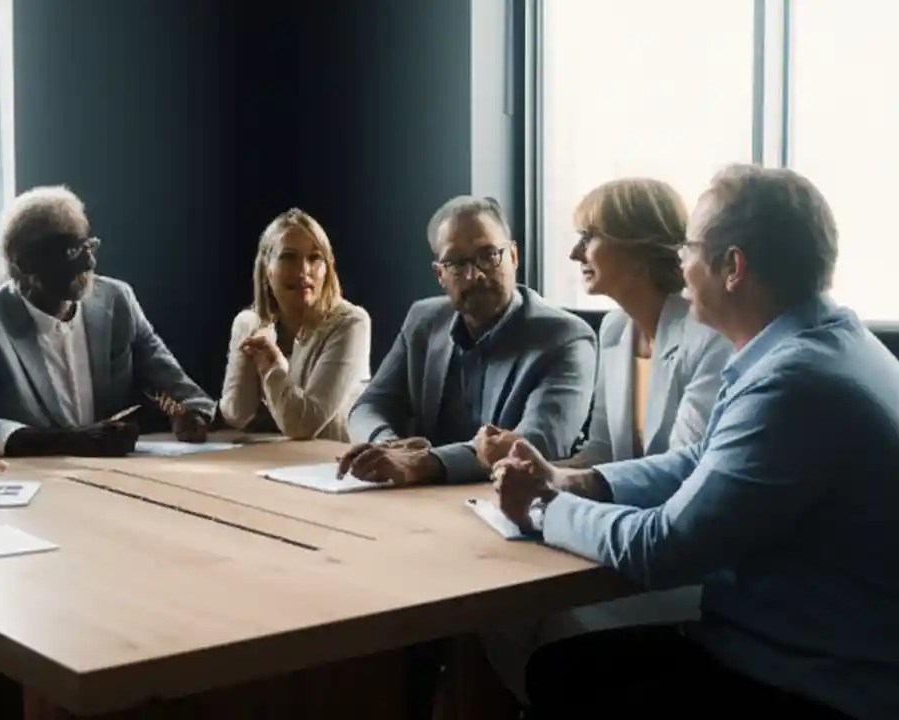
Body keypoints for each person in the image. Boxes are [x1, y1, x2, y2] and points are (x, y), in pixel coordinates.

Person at [492, 165, 899, 719]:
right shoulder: (824, 344)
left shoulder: (793, 380)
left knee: (560, 670)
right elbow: (704, 461)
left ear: (732, 267)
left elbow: (664, 546)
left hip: (810, 681)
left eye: (688, 246)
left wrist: (547, 508)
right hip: (801, 650)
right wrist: (579, 481)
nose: (678, 260)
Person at [480, 178, 733, 702]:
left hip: (680, 566)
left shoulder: (708, 338)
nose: (575, 252)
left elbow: (684, 475)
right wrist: (533, 463)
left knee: (533, 619)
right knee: (493, 618)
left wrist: (557, 496)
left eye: (588, 236)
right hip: (619, 540)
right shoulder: (615, 331)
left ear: (640, 247)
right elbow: (600, 454)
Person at [339, 196, 596, 485]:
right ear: (440, 274)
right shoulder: (424, 320)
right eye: (458, 263)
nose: (475, 276)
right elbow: (368, 406)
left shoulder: (565, 337)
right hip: (423, 502)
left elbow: (540, 442)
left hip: (510, 504)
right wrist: (386, 446)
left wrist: (425, 462)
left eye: (488, 255)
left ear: (513, 256)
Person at [0, 186, 216, 457]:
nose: (90, 261)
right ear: (23, 264)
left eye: (88, 245)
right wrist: (66, 441)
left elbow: (181, 388)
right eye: (72, 251)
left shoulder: (116, 301)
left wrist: (193, 414)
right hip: (38, 484)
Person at [219, 208, 371, 441]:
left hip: (337, 465)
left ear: (328, 268)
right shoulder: (252, 323)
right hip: (283, 460)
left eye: (314, 258)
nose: (303, 271)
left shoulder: (350, 323)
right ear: (267, 269)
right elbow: (237, 413)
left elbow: (303, 426)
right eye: (288, 257)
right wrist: (246, 331)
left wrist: (273, 369)